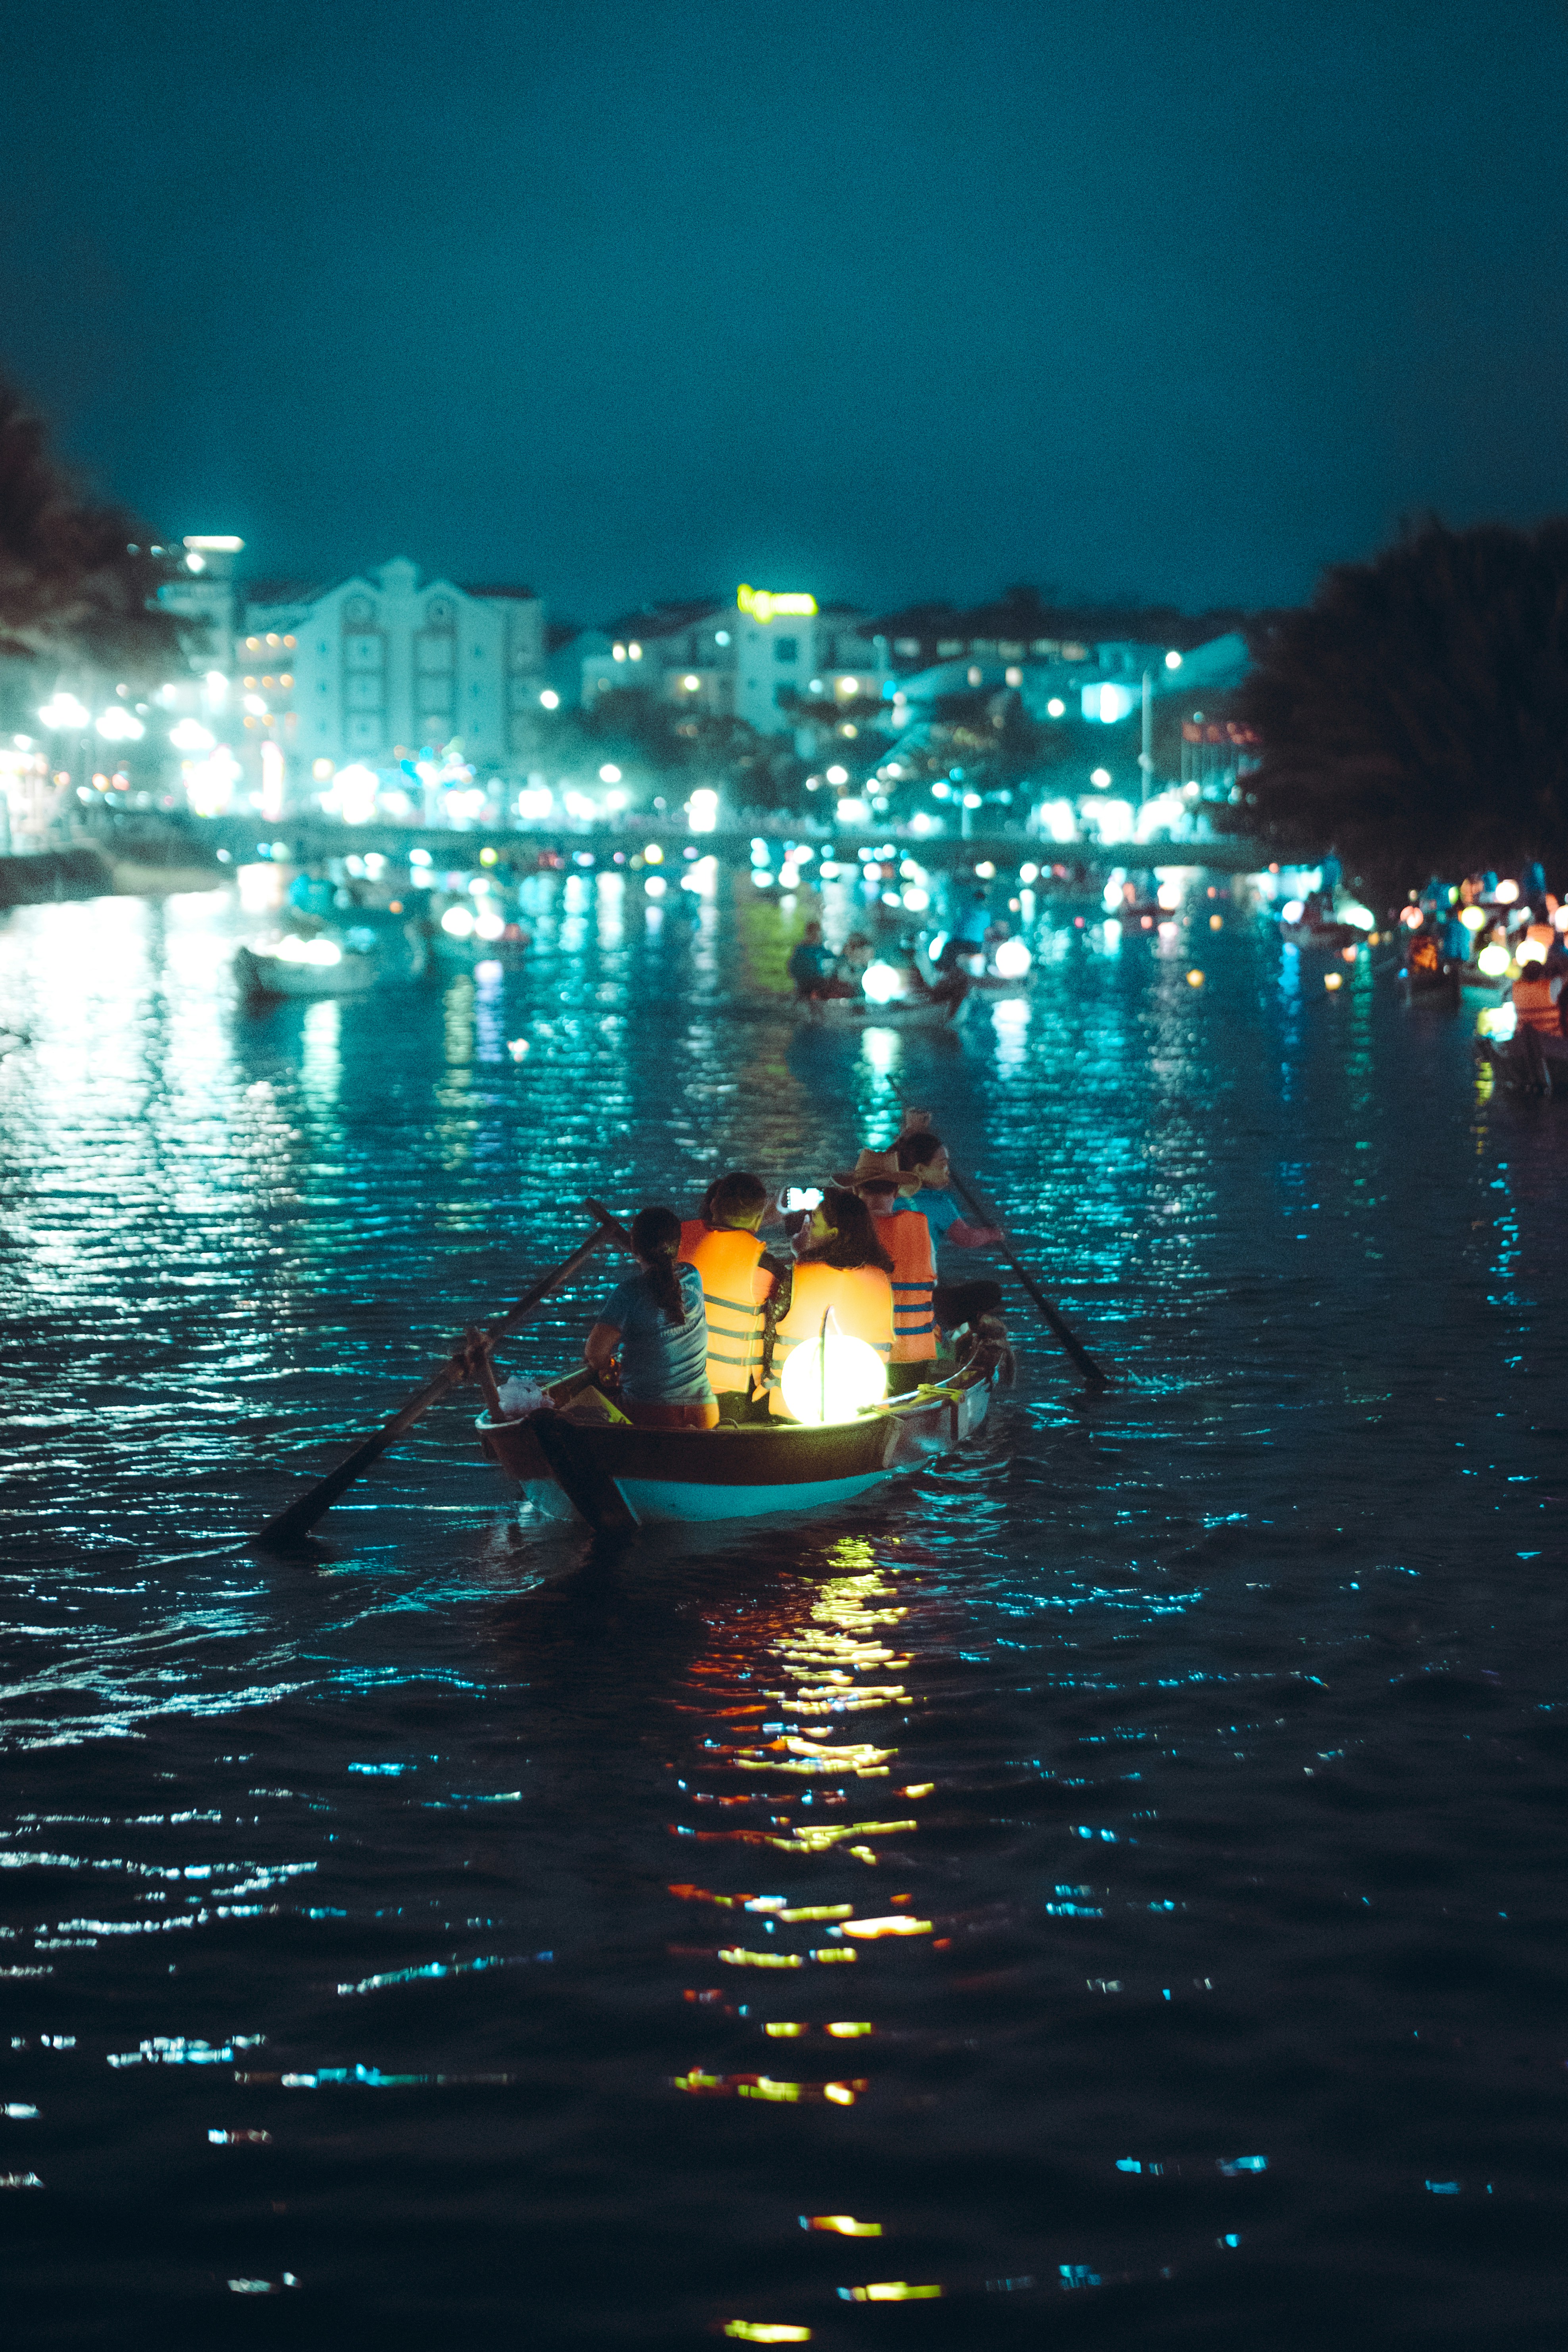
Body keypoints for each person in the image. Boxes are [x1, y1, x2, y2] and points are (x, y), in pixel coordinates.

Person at [585, 1206, 718, 1429]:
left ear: (636, 1247)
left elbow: (594, 1353)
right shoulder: (693, 1276)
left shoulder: (629, 1293)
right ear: (679, 1245)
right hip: (705, 1412)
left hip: (651, 1415)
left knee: (584, 1411)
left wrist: (609, 1365)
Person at [768, 1188, 894, 1417]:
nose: (806, 1227)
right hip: (864, 1409)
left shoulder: (798, 1276)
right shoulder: (881, 1279)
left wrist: (801, 1256)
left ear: (834, 1234)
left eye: (814, 1223)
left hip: (796, 1409)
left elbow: (769, 1341)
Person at [679, 1171, 789, 1419]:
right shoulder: (766, 1267)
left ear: (713, 1205)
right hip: (734, 1400)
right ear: (758, 1221)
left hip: (671, 1386)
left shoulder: (676, 1246)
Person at [830, 1147, 935, 1390]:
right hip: (914, 1353)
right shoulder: (920, 1226)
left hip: (864, 1355)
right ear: (897, 1191)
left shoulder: (848, 1231)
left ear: (856, 1191)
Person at [893, 1125, 1006, 1333]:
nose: (948, 1171)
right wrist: (994, 1234)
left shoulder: (892, 1198)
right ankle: (950, 1329)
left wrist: (908, 1133)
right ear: (919, 1170)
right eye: (942, 1165)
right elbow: (966, 1238)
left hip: (892, 1289)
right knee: (991, 1293)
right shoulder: (938, 1202)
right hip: (923, 1295)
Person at [787, 921, 850, 1000]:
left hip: (813, 979)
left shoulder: (818, 948)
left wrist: (845, 952)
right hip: (807, 980)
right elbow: (793, 966)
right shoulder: (802, 949)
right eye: (816, 933)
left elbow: (835, 957)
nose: (818, 936)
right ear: (809, 933)